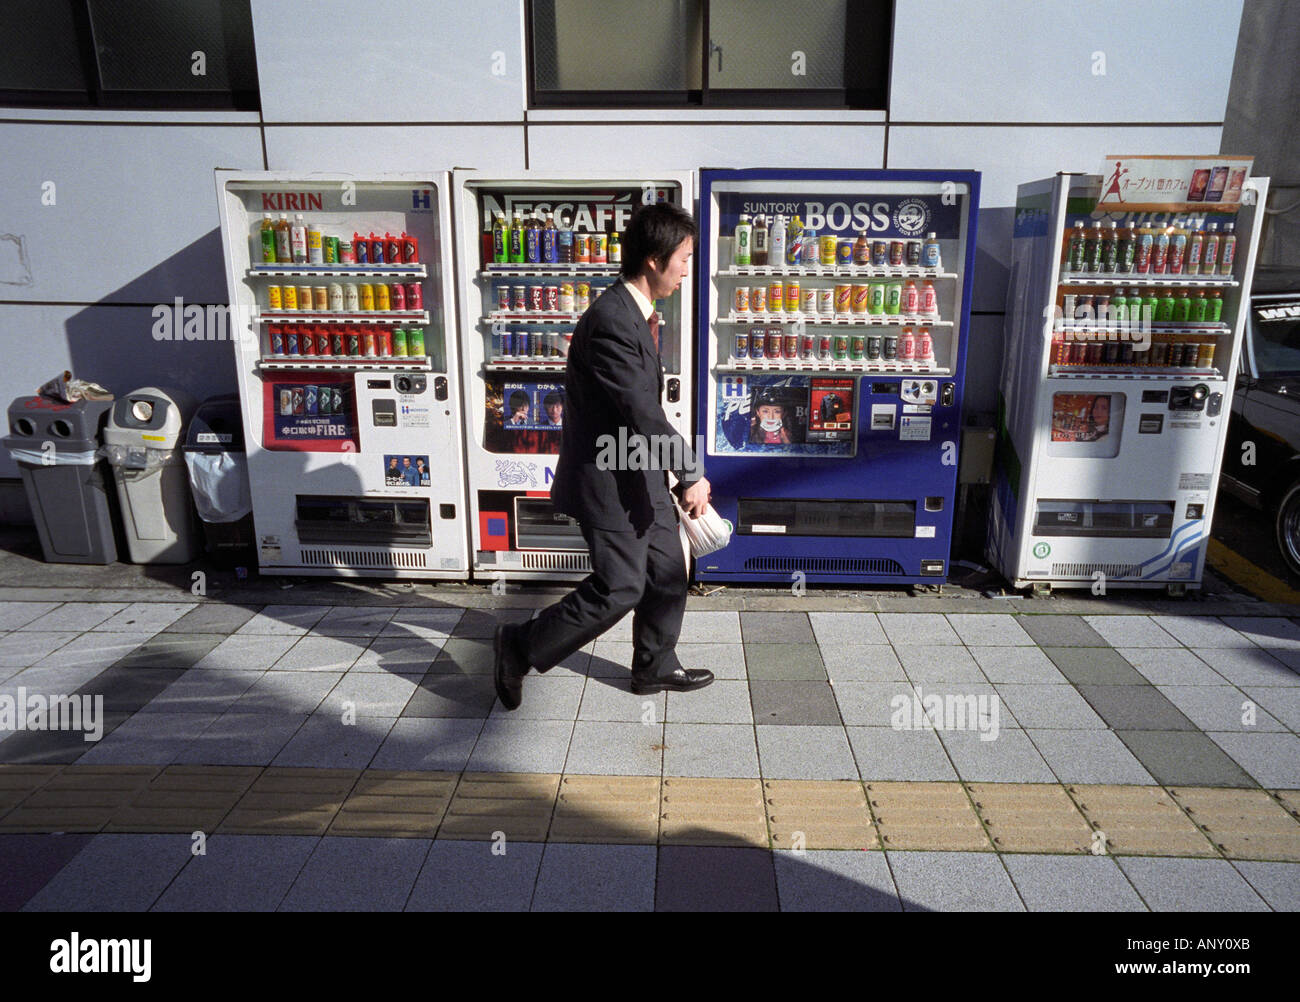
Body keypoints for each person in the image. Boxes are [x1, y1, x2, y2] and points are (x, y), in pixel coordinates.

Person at [495, 202, 713, 709]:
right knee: (621, 587)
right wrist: (690, 472)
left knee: (667, 571)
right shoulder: (613, 321)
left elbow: (641, 414)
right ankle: (519, 644)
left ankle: (655, 666)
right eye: (683, 257)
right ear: (655, 261)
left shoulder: (635, 314)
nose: (687, 268)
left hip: (639, 472)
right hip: (609, 480)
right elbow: (642, 410)